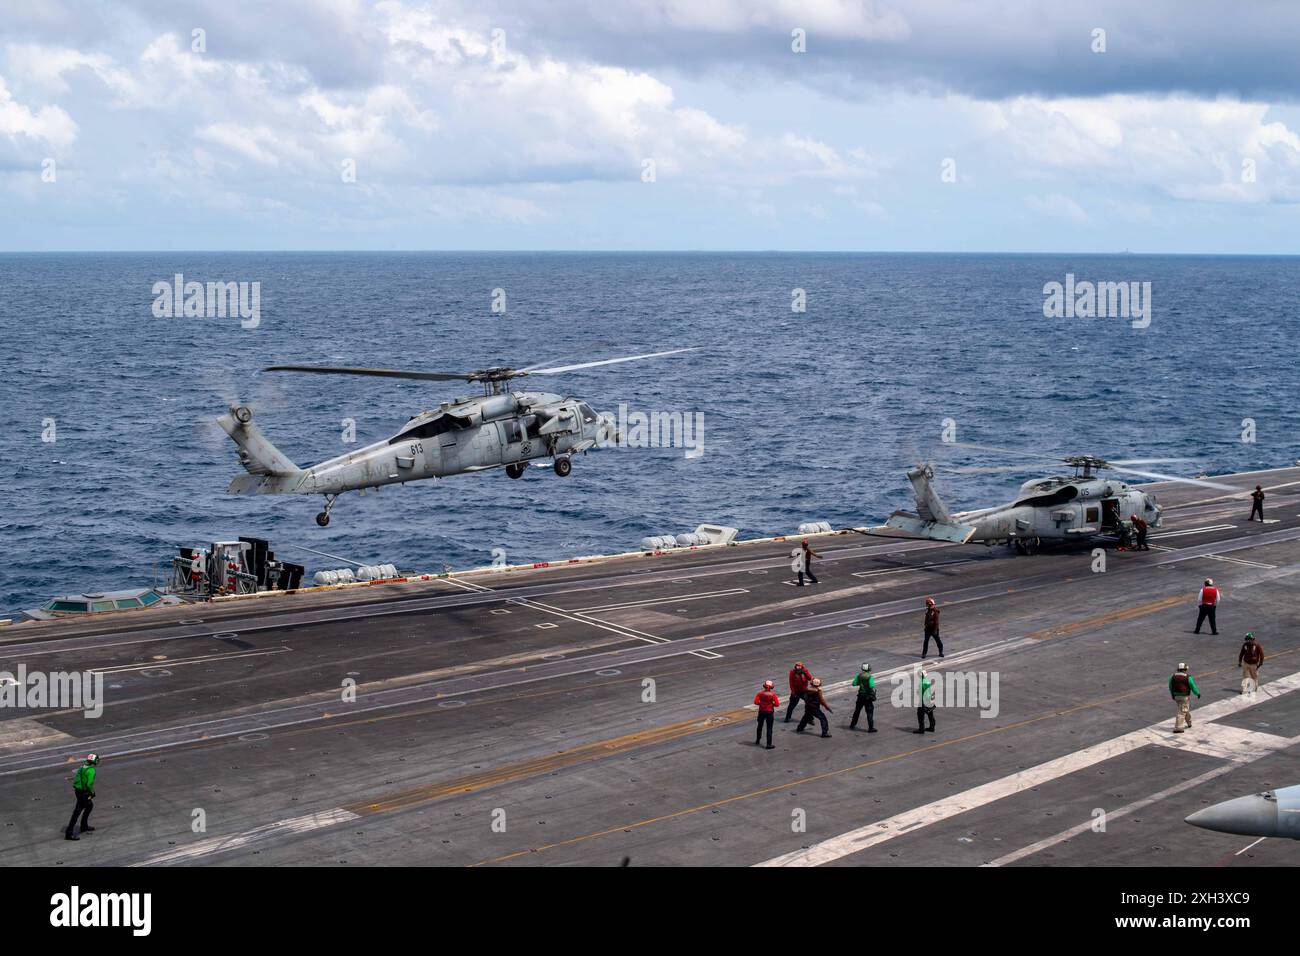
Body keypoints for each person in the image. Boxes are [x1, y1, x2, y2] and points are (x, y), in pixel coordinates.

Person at [65, 753, 99, 841]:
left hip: (78, 790)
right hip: (84, 792)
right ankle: (69, 833)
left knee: (89, 806)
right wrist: (92, 793)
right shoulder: (91, 770)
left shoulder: (82, 767)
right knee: (78, 811)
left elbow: (77, 779)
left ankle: (84, 826)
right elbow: (89, 784)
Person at [1169, 662, 1201, 733]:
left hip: (1176, 696)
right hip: (1184, 696)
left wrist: (1172, 694)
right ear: (1185, 669)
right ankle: (1178, 728)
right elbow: (1193, 687)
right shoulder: (1188, 677)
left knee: (1184, 709)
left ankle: (1189, 723)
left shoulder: (1173, 676)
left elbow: (1170, 687)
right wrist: (1197, 693)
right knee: (1182, 711)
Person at [850, 663, 877, 732]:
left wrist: (861, 683)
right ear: (868, 669)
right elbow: (871, 686)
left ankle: (852, 724)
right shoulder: (870, 677)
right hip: (867, 696)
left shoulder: (859, 675)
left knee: (857, 711)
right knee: (869, 712)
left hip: (860, 695)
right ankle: (871, 728)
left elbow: (854, 684)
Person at [754, 680, 780, 749]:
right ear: (771, 687)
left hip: (761, 711)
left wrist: (762, 704)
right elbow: (777, 704)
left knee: (759, 726)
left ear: (764, 686)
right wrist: (771, 704)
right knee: (769, 728)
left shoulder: (760, 693)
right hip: (769, 712)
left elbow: (756, 702)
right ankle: (769, 744)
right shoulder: (773, 695)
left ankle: (758, 740)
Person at [914, 668, 936, 734]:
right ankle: (932, 727)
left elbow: (920, 693)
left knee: (920, 714)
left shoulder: (921, 683)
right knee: (930, 713)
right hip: (929, 699)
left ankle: (921, 729)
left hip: (923, 700)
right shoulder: (927, 681)